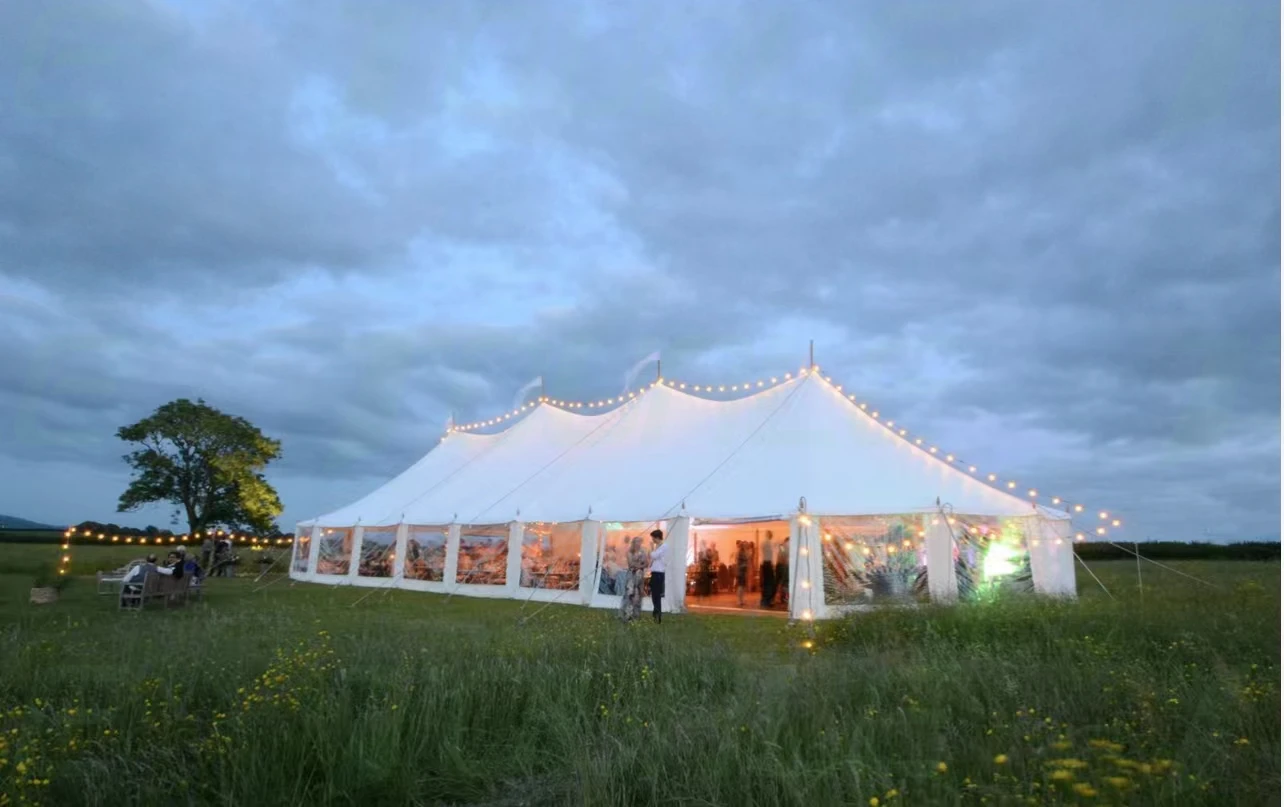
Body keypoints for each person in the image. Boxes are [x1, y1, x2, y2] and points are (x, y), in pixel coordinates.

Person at [618, 536, 647, 622]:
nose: (638, 544)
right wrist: (640, 565)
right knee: (630, 595)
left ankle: (636, 615)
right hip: (631, 576)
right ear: (633, 543)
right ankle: (627, 615)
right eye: (637, 542)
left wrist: (638, 566)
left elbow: (646, 563)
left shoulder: (643, 552)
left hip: (640, 576)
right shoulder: (629, 552)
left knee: (639, 595)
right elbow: (631, 564)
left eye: (640, 542)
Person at [648, 528, 668, 623]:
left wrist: (652, 549)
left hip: (659, 574)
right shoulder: (659, 547)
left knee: (657, 596)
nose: (652, 540)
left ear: (657, 537)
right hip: (654, 573)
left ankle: (658, 615)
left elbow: (654, 556)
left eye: (653, 538)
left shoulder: (664, 547)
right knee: (653, 595)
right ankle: (655, 613)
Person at [760, 530, 776, 607]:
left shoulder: (764, 542)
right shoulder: (769, 543)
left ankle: (764, 600)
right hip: (767, 563)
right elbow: (770, 554)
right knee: (769, 583)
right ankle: (767, 601)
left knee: (766, 583)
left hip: (765, 563)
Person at [735, 541, 750, 607]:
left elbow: (747, 560)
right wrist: (745, 564)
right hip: (740, 571)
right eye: (745, 545)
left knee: (743, 586)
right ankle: (739, 600)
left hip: (743, 571)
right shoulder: (740, 552)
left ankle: (742, 600)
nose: (746, 546)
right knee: (740, 586)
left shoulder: (743, 552)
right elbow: (740, 562)